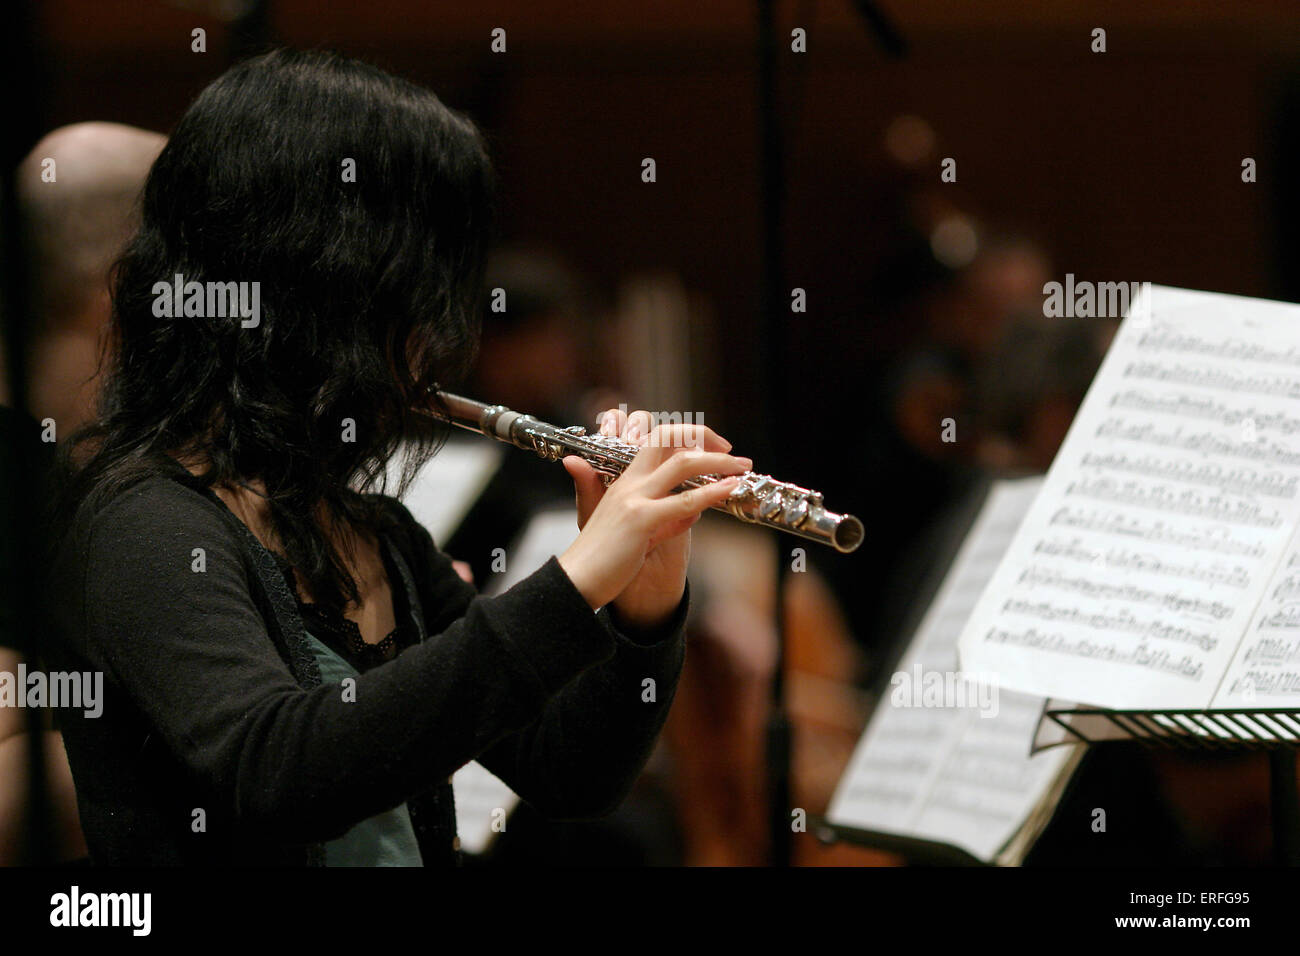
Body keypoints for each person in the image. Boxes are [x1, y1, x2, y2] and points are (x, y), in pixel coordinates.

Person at [44, 48, 750, 866]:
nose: (428, 339)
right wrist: (580, 575)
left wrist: (643, 603)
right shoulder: (145, 525)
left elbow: (572, 775)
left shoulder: (372, 532)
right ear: (315, 289)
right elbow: (282, 772)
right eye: (407, 297)